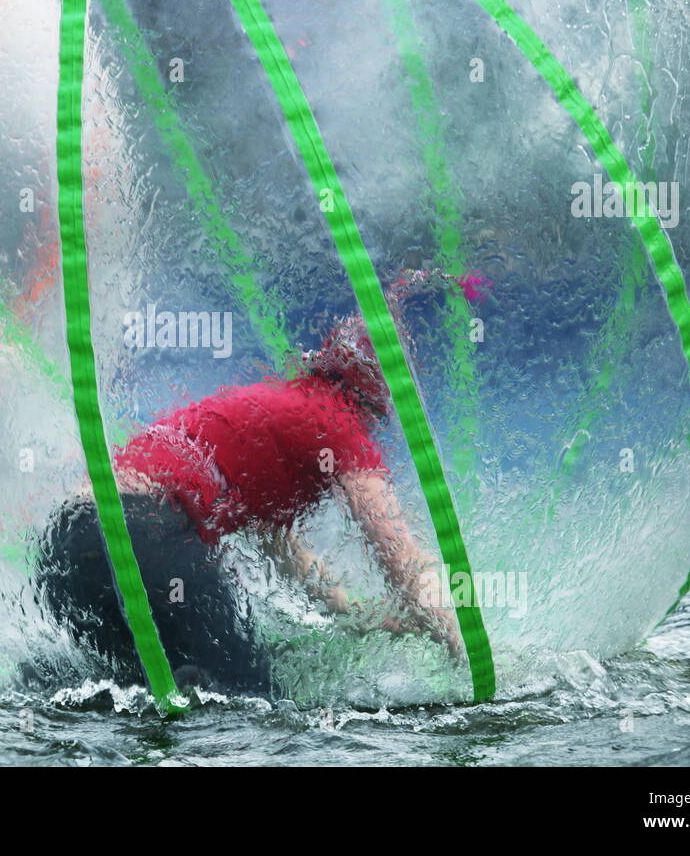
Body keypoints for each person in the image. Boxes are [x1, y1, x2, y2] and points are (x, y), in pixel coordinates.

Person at [36, 269, 489, 695]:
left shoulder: (279, 410)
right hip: (142, 534)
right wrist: (464, 646)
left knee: (141, 694)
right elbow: (400, 556)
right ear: (381, 396)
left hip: (69, 544)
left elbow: (287, 553)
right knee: (247, 697)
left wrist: (363, 614)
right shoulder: (340, 424)